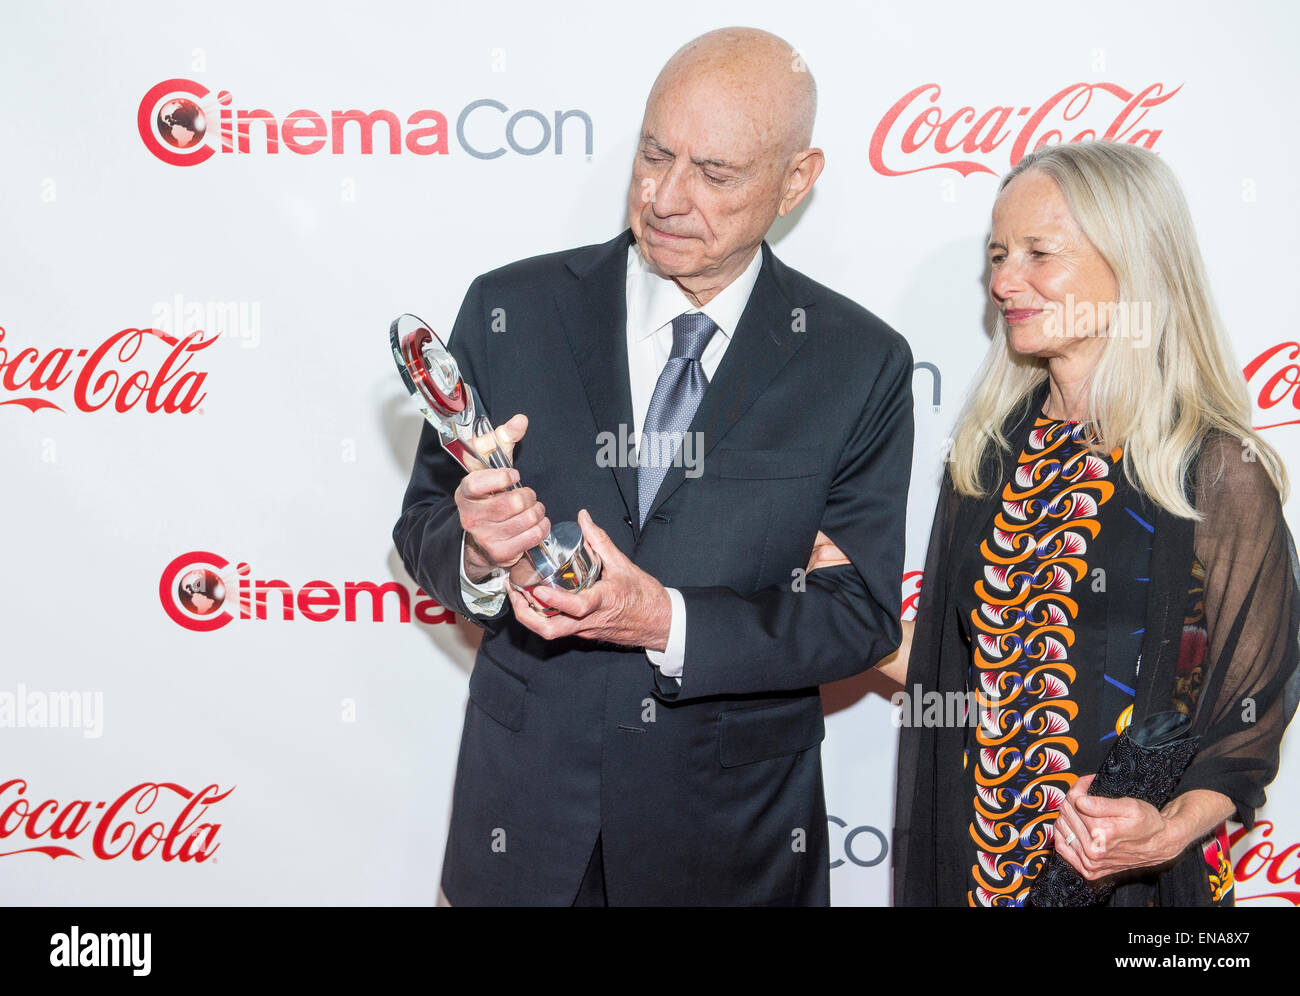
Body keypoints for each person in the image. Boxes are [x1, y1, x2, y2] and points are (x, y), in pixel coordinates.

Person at [393, 26, 913, 906]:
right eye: (653, 155)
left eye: (714, 174)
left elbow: (858, 616)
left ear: (797, 179)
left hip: (734, 843)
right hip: (523, 829)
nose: (666, 197)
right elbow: (425, 527)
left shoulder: (857, 361)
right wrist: (478, 555)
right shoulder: (512, 306)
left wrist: (664, 620)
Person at [891, 140, 1300, 907]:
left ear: (1134, 264)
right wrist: (824, 600)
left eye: (1040, 253)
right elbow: (958, 677)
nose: (1004, 281)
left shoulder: (1214, 469)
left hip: (1136, 884)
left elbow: (1252, 716)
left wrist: (1171, 830)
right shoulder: (986, 456)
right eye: (999, 253)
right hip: (979, 867)